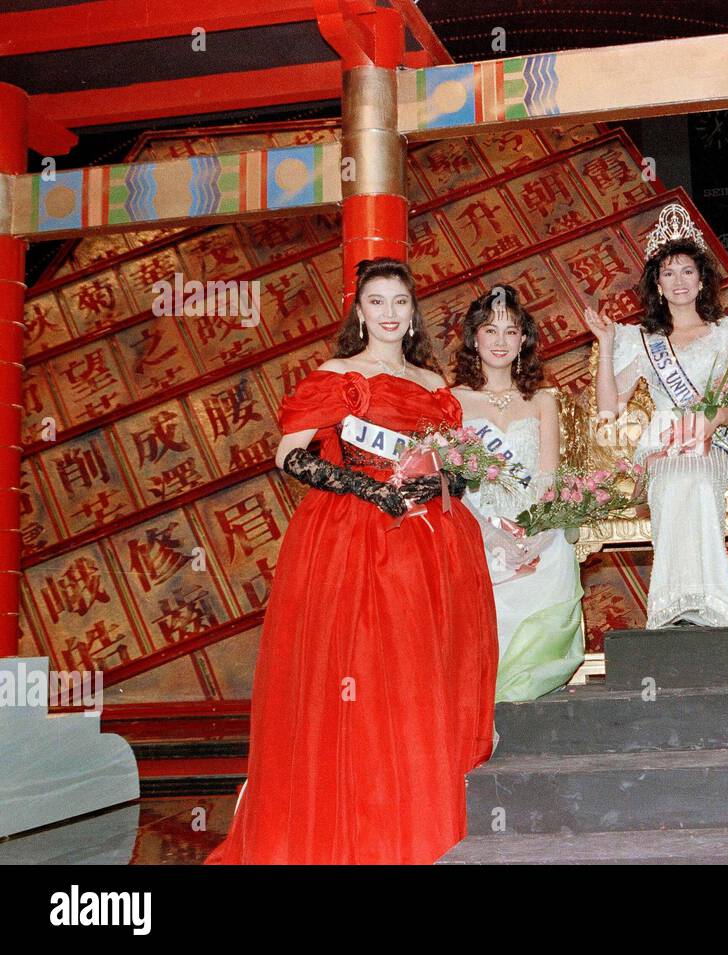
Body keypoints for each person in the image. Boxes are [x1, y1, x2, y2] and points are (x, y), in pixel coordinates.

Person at [206, 258, 498, 864]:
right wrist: (367, 490)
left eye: (400, 302)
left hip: (430, 544)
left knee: (420, 681)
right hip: (353, 538)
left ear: (412, 311)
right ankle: (356, 827)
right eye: (377, 302)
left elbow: (455, 467)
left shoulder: (431, 383)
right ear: (359, 311)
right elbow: (289, 456)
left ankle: (418, 821)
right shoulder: (339, 375)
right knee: (359, 676)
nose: (390, 314)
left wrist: (436, 486)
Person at [581, 202, 728, 629]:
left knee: (697, 478)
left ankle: (711, 605)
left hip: (714, 443)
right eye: (668, 272)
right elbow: (610, 408)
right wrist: (607, 345)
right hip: (662, 444)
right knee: (672, 478)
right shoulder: (644, 341)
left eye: (687, 271)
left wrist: (714, 418)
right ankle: (672, 607)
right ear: (657, 285)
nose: (678, 280)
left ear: (701, 279)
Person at [452, 285, 585, 701]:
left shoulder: (542, 400)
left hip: (534, 521)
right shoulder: (454, 401)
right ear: (474, 338)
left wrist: (538, 534)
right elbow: (452, 485)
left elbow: (549, 476)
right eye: (491, 331)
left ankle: (528, 704)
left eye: (511, 332)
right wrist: (493, 535)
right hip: (479, 522)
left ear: (524, 340)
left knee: (556, 553)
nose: (500, 341)